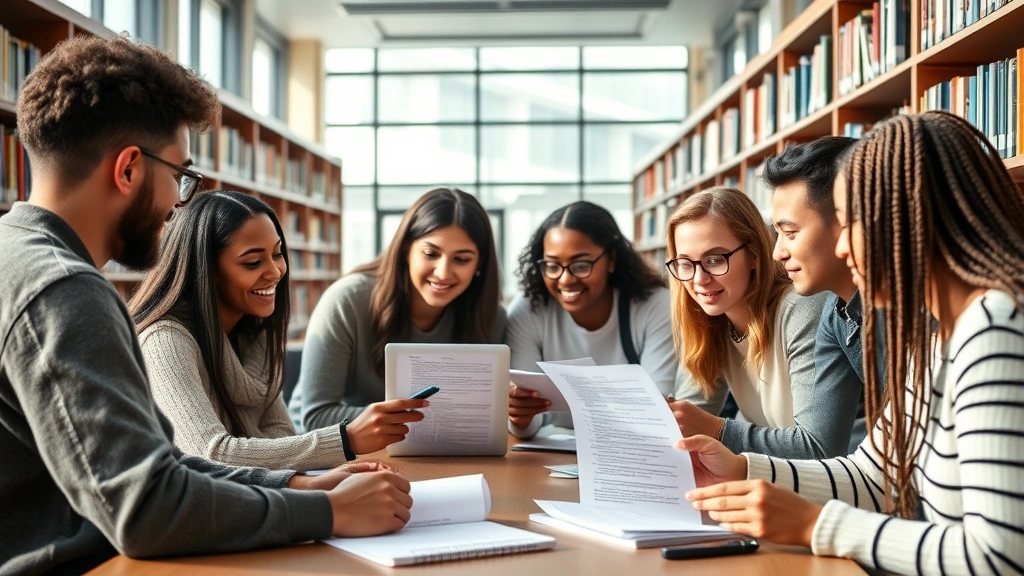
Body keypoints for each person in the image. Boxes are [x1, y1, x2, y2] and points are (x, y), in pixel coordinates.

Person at [0, 35, 412, 575]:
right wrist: (325, 510)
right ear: (128, 169)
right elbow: (147, 508)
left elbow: (163, 466)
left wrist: (295, 481)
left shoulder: (16, 255)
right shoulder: (64, 291)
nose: (179, 202)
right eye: (180, 176)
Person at [681, 112, 1024, 575]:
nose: (843, 249)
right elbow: (874, 475)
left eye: (851, 225)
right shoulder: (943, 338)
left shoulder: (994, 330)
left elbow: (998, 556)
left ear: (907, 222)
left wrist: (818, 526)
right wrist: (743, 470)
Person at [129, 191, 380, 470]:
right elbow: (209, 455)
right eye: (253, 262)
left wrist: (309, 478)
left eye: (277, 254)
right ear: (206, 268)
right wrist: (345, 440)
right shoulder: (165, 341)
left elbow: (282, 435)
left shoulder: (255, 334)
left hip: (251, 499)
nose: (275, 272)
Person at [289, 187, 506, 448]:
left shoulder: (490, 317)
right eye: (430, 254)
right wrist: (430, 420)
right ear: (406, 250)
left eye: (461, 259)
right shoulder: (347, 300)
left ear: (479, 264)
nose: (443, 272)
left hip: (434, 450)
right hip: (330, 453)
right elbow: (315, 417)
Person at [668, 187, 854, 459]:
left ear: (754, 254)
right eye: (685, 263)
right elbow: (692, 416)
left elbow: (819, 449)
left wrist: (715, 430)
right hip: (773, 476)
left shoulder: (801, 309)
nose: (699, 280)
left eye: (715, 260)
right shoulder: (709, 316)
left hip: (846, 481)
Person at [505, 201, 675, 439]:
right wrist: (520, 416)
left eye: (581, 265)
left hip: (631, 447)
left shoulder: (655, 306)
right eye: (552, 266)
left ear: (612, 259)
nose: (565, 280)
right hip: (551, 449)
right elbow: (527, 419)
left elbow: (659, 407)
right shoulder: (528, 309)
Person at [763, 136, 878, 452]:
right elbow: (822, 445)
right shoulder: (835, 313)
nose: (778, 253)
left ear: (846, 221)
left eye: (790, 234)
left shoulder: (927, 310)